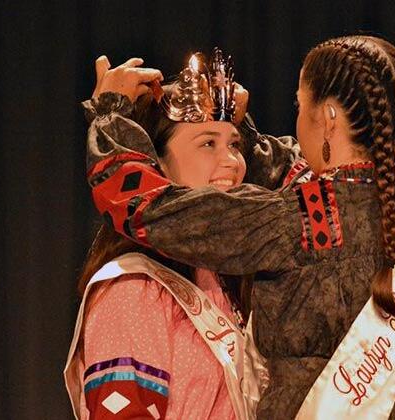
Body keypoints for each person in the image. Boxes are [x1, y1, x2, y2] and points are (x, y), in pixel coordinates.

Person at [82, 36, 395, 419]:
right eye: (209, 143)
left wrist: (110, 112)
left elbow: (139, 201)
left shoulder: (292, 221)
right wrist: (238, 130)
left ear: (327, 119)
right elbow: (289, 173)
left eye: (299, 105)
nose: (232, 160)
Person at [63, 50, 293, 419]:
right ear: (158, 165)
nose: (233, 162)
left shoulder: (234, 280)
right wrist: (111, 112)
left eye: (234, 144)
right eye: (207, 143)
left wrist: (247, 131)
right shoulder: (132, 290)